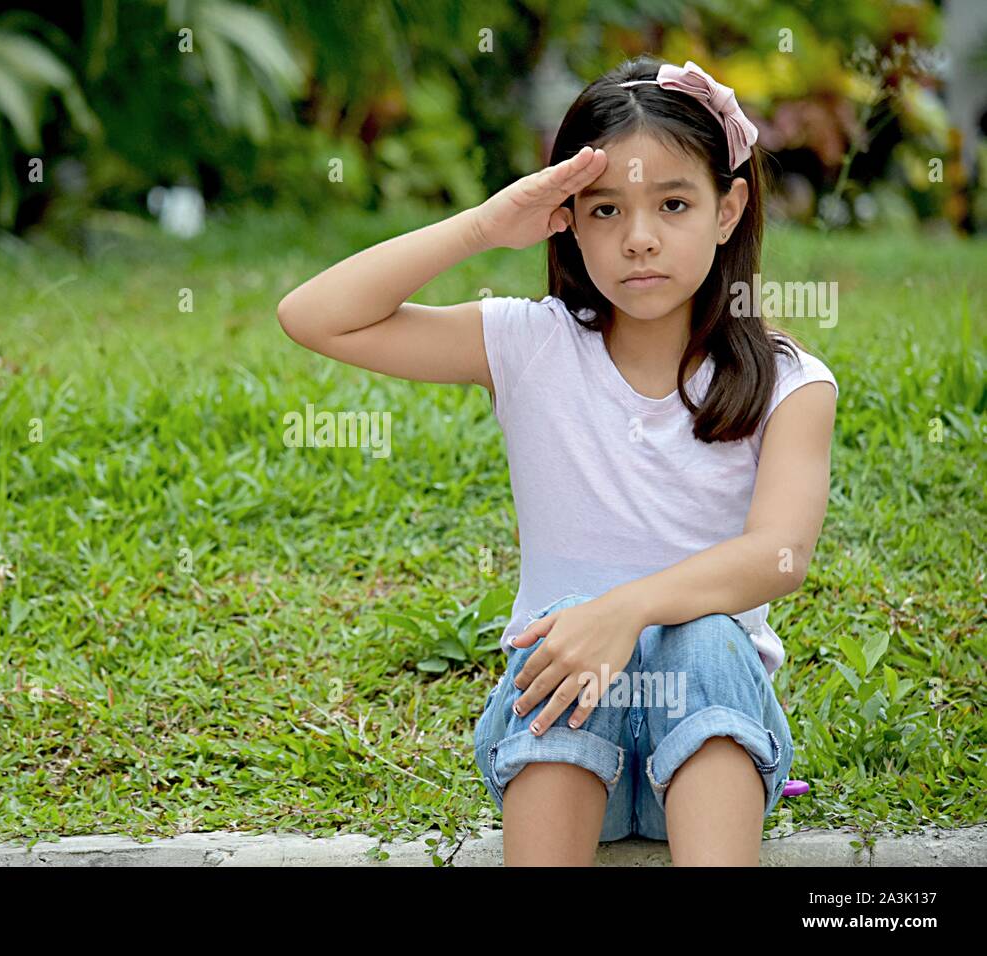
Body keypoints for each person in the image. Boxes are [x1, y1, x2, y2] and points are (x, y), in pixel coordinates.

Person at [276, 56, 838, 866]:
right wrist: (481, 227)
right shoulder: (530, 344)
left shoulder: (790, 382)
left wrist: (629, 609)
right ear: (567, 217)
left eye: (673, 203)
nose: (638, 238)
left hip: (714, 736)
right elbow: (314, 316)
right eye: (605, 209)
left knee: (707, 636)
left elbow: (777, 557)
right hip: (561, 726)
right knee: (567, 628)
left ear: (729, 208)